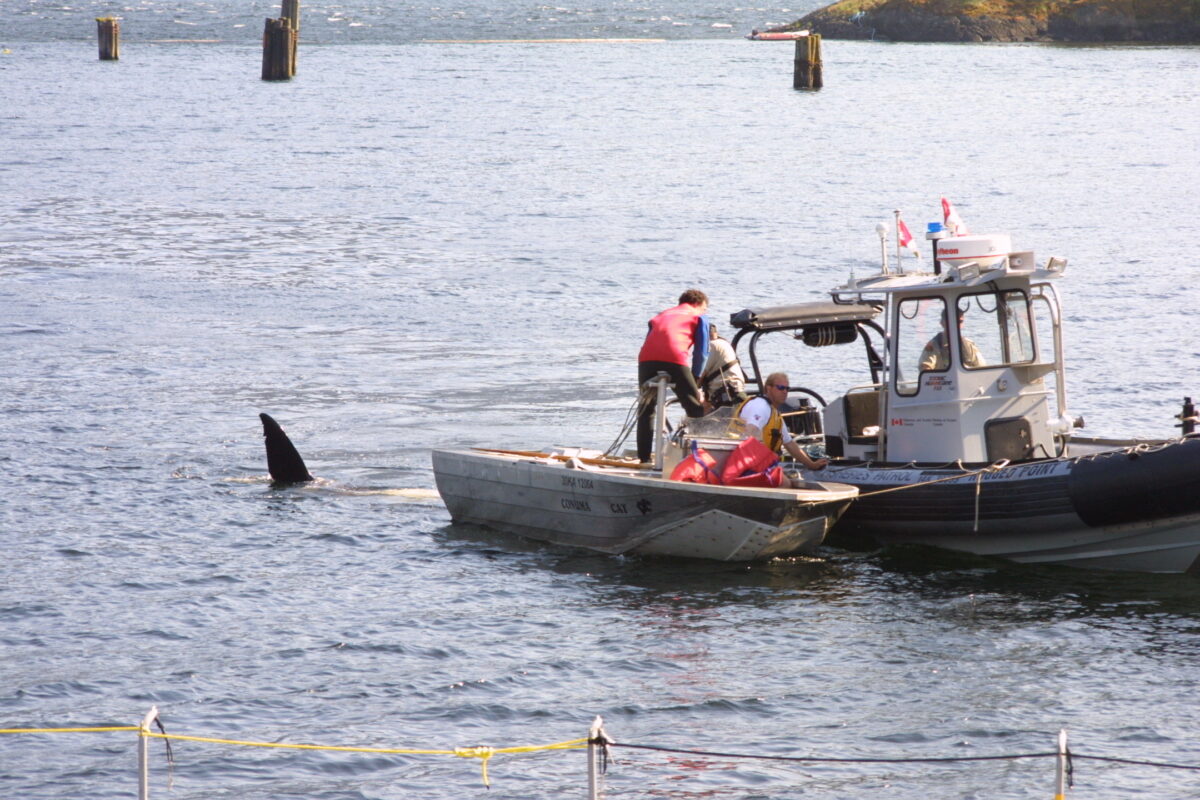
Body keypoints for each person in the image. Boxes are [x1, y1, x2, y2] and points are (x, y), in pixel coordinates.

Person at [636, 288, 711, 464]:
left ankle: (644, 458)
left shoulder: (662, 315)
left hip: (647, 359)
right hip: (674, 357)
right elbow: (702, 352)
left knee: (646, 408)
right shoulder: (699, 316)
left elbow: (650, 339)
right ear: (699, 304)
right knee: (694, 409)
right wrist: (695, 379)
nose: (705, 312)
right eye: (705, 308)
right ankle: (698, 458)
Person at [736, 371, 828, 473]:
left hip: (758, 463)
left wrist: (812, 464)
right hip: (745, 463)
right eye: (780, 388)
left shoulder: (774, 413)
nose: (785, 392)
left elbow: (789, 444)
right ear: (768, 388)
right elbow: (748, 433)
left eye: (787, 389)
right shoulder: (760, 407)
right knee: (785, 483)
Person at [699, 323, 747, 410]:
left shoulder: (712, 345)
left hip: (727, 396)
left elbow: (699, 374)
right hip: (735, 393)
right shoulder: (724, 343)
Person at [919, 308, 984, 372]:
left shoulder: (969, 344)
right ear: (942, 323)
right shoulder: (933, 345)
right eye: (952, 321)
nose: (956, 324)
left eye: (960, 322)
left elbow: (981, 367)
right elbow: (925, 369)